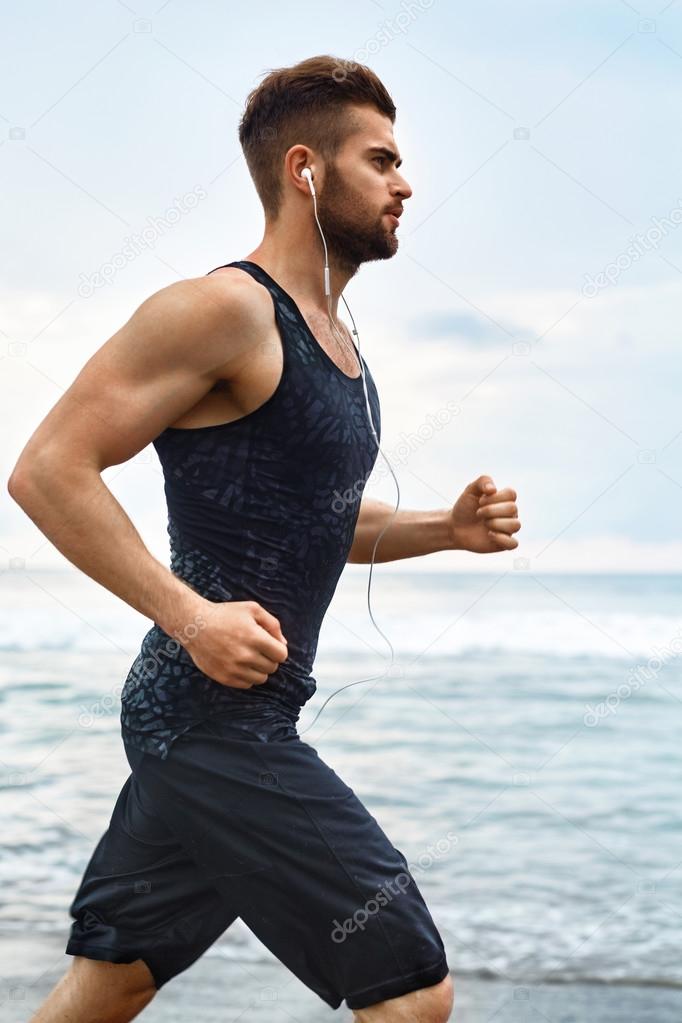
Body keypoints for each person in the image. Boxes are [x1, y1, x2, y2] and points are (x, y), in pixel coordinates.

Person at [8, 53, 520, 1022]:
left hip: (223, 724)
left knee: (105, 990)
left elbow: (312, 527)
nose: (405, 184)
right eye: (381, 160)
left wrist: (443, 531)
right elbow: (47, 470)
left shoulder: (338, 343)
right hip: (209, 722)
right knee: (413, 994)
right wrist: (190, 617)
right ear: (304, 170)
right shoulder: (221, 311)